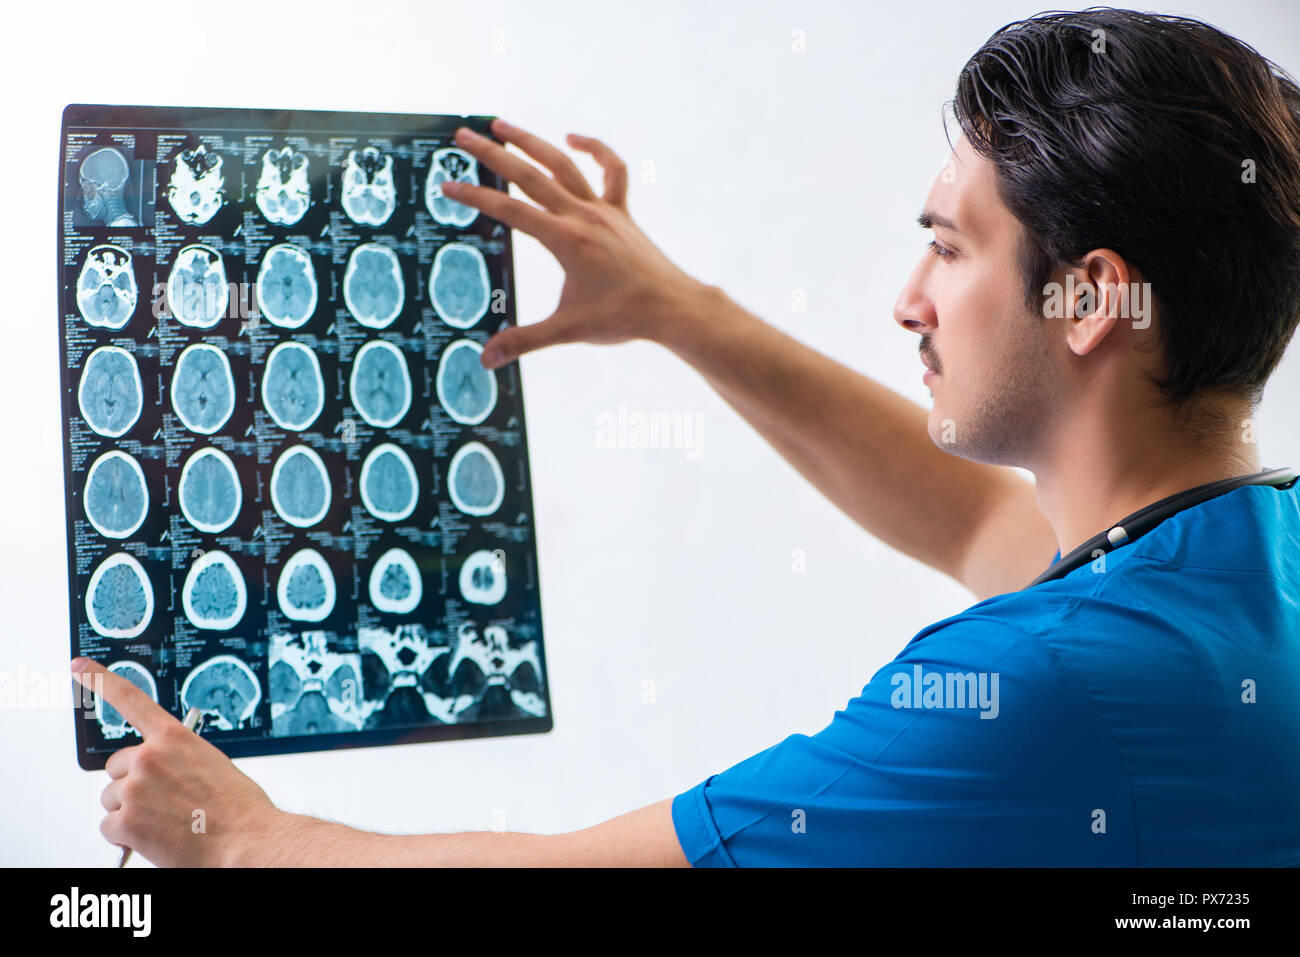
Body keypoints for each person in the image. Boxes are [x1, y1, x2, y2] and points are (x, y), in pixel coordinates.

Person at [75, 8, 1300, 866]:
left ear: (1088, 300)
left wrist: (244, 840)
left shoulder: (1037, 693)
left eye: (946, 243)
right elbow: (983, 523)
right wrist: (675, 310)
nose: (907, 298)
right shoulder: (1240, 564)